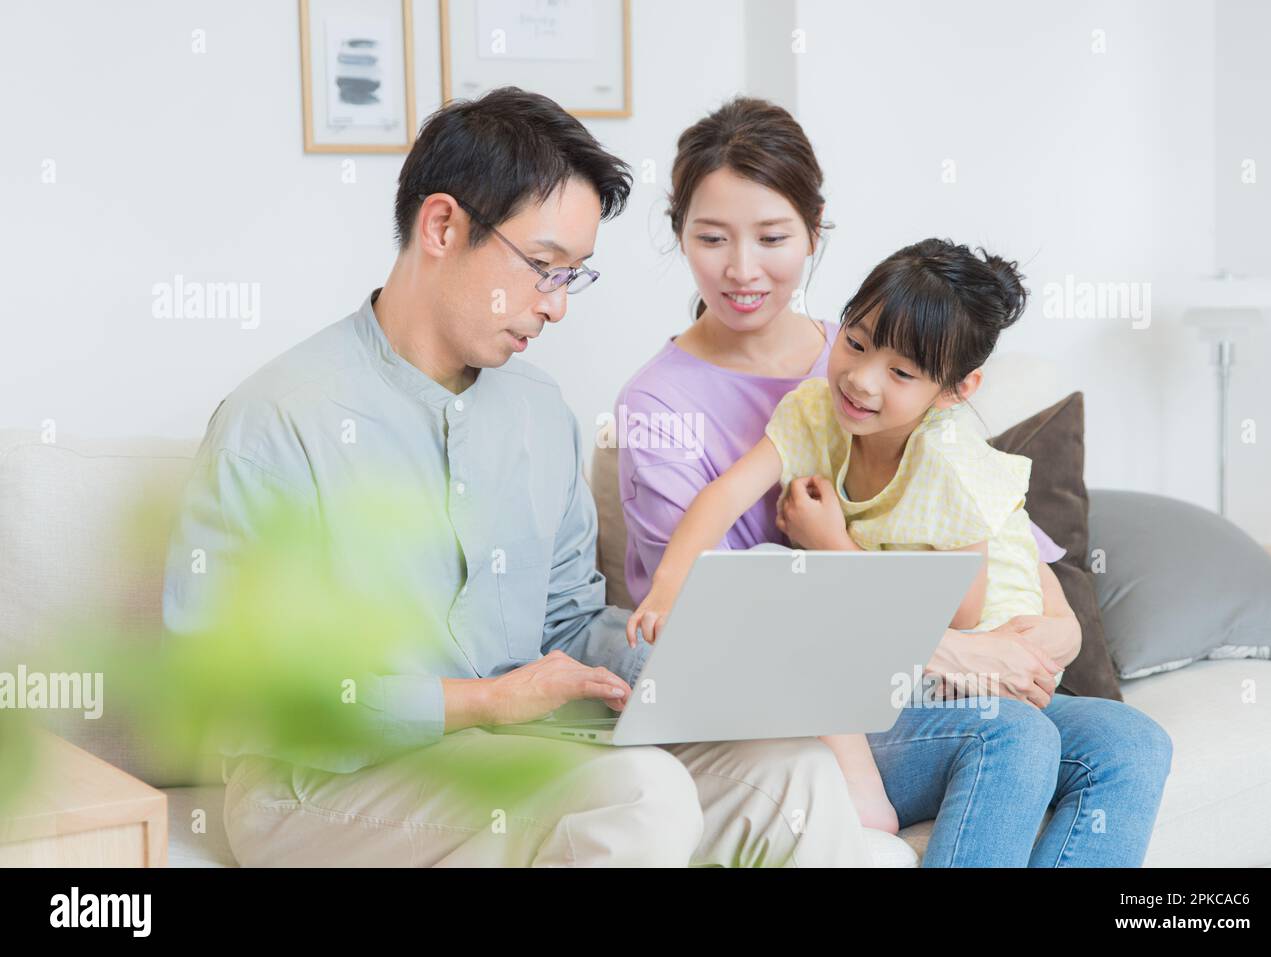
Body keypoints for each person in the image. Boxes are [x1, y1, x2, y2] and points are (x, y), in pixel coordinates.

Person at [162, 87, 872, 867]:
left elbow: (568, 627)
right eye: (543, 267)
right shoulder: (278, 420)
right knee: (639, 795)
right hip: (321, 783)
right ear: (442, 226)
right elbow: (234, 698)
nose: (557, 307)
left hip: (512, 746)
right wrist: (483, 701)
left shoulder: (538, 412)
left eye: (574, 276)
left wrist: (692, 655)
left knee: (793, 772)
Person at [616, 98, 1174, 866]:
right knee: (1005, 732)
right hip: (804, 700)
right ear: (679, 232)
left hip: (927, 669)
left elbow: (1018, 559)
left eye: (772, 236)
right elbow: (720, 624)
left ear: (816, 231)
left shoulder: (873, 362)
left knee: (1130, 743)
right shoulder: (669, 405)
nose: (742, 268)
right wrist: (947, 649)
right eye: (712, 237)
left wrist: (1046, 639)